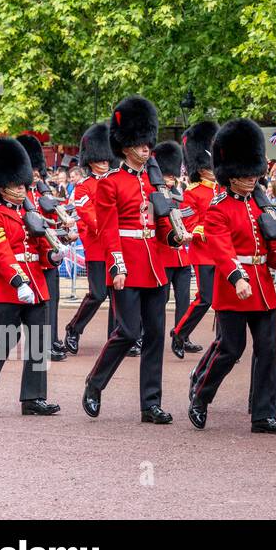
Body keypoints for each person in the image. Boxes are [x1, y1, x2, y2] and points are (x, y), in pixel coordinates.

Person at [187, 119, 276, 434]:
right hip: (235, 288)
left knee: (266, 349)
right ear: (230, 175)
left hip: (262, 286)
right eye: (245, 175)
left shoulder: (260, 207)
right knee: (230, 348)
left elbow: (266, 245)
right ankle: (200, 397)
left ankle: (262, 413)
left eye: (253, 173)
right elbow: (221, 249)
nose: (251, 179)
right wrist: (238, 277)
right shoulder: (218, 209)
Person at [83, 96, 179, 423]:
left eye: (146, 142)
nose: (145, 148)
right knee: (127, 331)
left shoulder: (153, 182)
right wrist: (117, 265)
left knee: (154, 335)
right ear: (125, 147)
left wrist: (173, 235)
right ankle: (95, 383)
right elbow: (109, 230)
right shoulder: (110, 183)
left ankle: (150, 404)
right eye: (139, 143)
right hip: (127, 264)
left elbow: (161, 221)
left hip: (154, 264)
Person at [0, 137, 60, 415]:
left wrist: (52, 255)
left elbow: (40, 246)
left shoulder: (28, 214)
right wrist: (18, 281)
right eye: (16, 185)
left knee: (38, 340)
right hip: (10, 288)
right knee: (5, 340)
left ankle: (32, 398)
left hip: (36, 283)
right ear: (1, 188)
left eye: (23, 184)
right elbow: (0, 253)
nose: (22, 189)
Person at [63, 123, 113, 355]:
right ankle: (74, 328)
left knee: (119, 295)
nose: (104, 162)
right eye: (100, 159)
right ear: (90, 159)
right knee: (98, 294)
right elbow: (89, 215)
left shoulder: (116, 181)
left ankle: (118, 337)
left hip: (118, 248)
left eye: (106, 159)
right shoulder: (83, 187)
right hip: (97, 247)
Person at [171, 121, 220, 358]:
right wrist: (206, 229)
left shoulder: (222, 191)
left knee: (226, 300)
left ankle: (223, 341)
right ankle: (179, 333)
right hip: (204, 253)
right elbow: (191, 226)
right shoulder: (192, 192)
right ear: (201, 168)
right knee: (205, 299)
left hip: (224, 252)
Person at [17, 134, 67, 363]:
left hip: (51, 255)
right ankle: (39, 343)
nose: (36, 173)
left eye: (37, 169)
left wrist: (65, 229)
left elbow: (54, 221)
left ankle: (52, 339)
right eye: (32, 170)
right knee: (34, 304)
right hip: (31, 258)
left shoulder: (44, 192)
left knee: (53, 299)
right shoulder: (20, 195)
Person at [152, 140, 194, 356]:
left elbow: (189, 218)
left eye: (171, 176)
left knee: (184, 300)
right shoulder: (154, 194)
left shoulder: (179, 193)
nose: (169, 180)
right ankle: (152, 336)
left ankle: (181, 336)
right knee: (161, 300)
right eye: (166, 176)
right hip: (164, 255)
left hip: (181, 257)